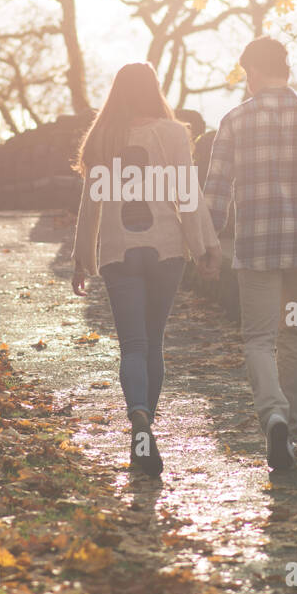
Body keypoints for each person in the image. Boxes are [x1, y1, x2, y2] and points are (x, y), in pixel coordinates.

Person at [202, 36, 297, 472]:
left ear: (252, 72)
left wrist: (206, 246)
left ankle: (273, 416)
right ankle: (291, 427)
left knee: (258, 340)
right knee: (293, 334)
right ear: (285, 69)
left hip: (257, 250)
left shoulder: (234, 122)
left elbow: (215, 192)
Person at [71, 63, 221, 475]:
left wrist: (82, 257)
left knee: (133, 346)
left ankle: (138, 416)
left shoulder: (103, 136)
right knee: (153, 343)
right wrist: (206, 246)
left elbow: (91, 204)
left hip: (119, 251)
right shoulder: (173, 133)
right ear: (154, 90)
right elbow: (187, 195)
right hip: (166, 250)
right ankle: (146, 427)